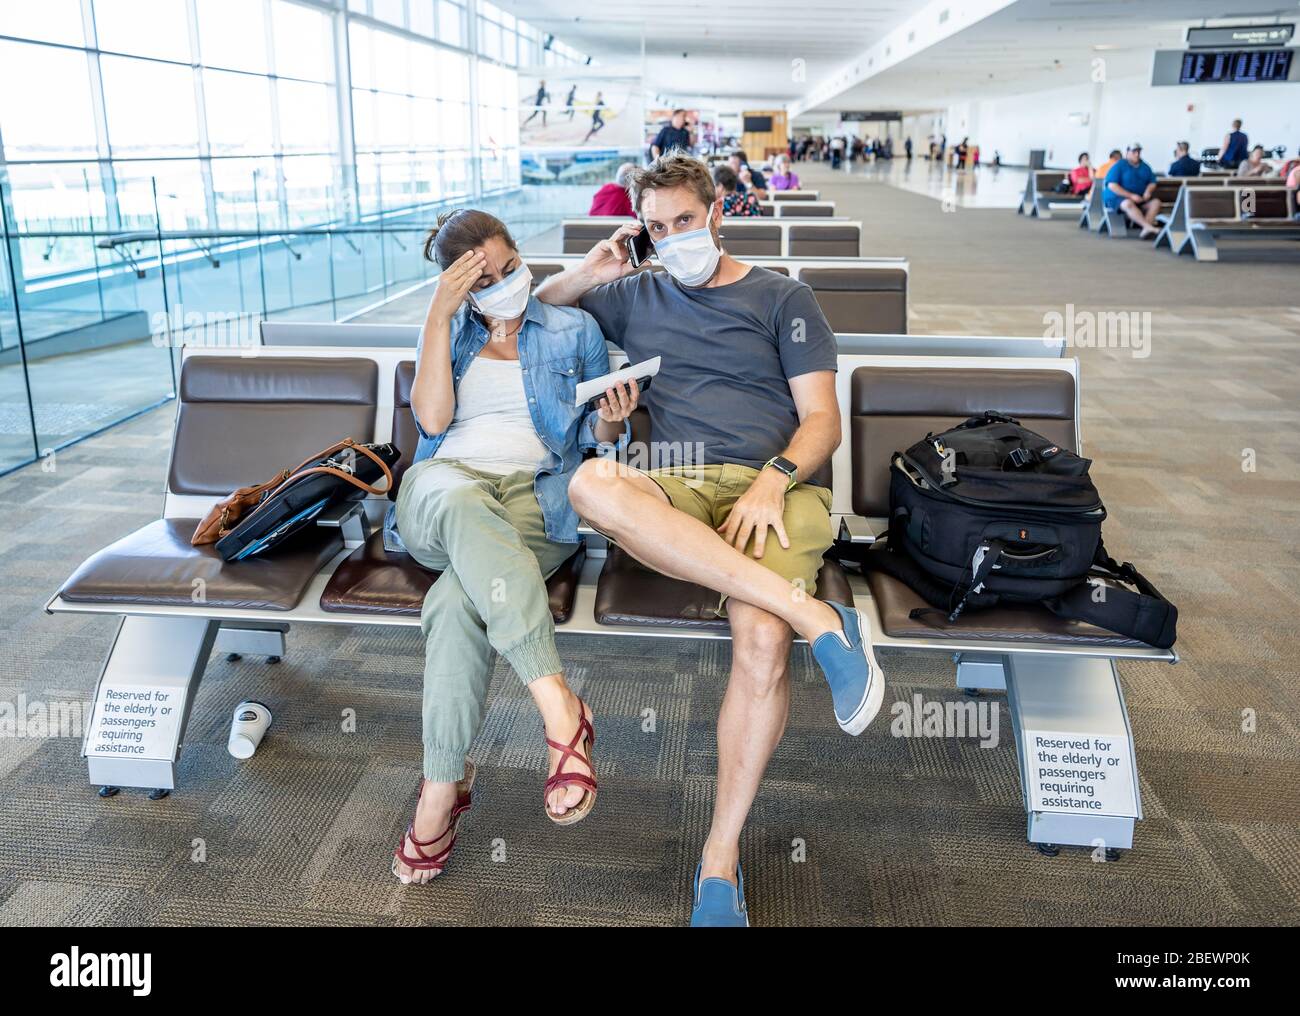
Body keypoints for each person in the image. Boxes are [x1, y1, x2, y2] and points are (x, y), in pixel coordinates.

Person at [535, 151, 886, 927]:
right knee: (591, 482)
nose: (673, 238)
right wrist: (592, 272)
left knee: (760, 640)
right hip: (681, 483)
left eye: (685, 221)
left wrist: (774, 477)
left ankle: (719, 859)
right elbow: (534, 311)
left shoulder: (785, 298)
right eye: (657, 228)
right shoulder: (634, 294)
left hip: (778, 486)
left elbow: (822, 421)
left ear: (717, 212)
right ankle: (819, 618)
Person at [388, 209, 639, 884]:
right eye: (484, 280)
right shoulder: (450, 331)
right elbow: (433, 422)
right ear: (458, 288)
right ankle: (559, 707)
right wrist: (437, 316)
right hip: (442, 490)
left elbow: (593, 444)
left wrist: (612, 421)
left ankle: (441, 787)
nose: (504, 284)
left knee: (455, 605)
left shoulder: (573, 330)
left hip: (535, 499)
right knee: (461, 501)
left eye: (509, 267)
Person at [1104, 143, 1161, 238]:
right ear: (1128, 152)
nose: (1137, 154)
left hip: (1140, 198)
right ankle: (1148, 227)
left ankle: (1145, 229)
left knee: (1156, 203)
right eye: (1134, 152)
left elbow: (1152, 182)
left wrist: (1148, 191)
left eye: (1138, 152)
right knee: (1128, 203)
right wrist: (1131, 196)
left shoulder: (1145, 166)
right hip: (1118, 198)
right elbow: (1112, 185)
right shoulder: (1119, 165)